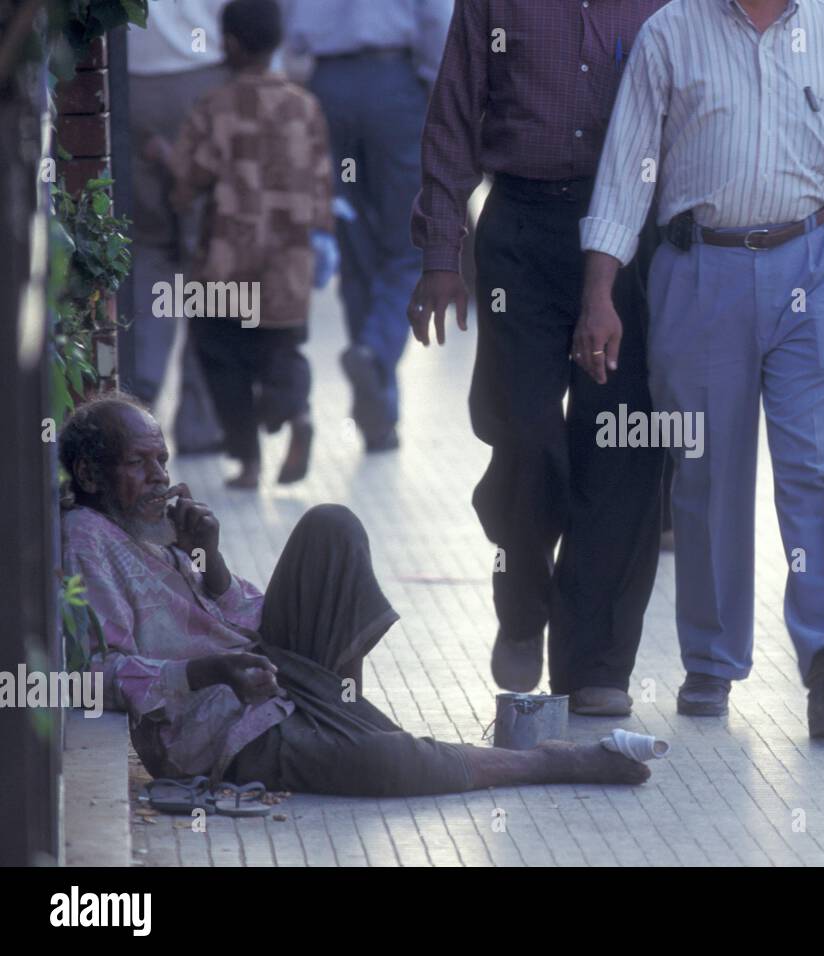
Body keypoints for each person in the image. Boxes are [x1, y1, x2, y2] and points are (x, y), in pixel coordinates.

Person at [574, 0, 824, 732]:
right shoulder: (670, 33)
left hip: (818, 261)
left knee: (821, 468)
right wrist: (600, 292)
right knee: (708, 474)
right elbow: (626, 172)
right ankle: (710, 662)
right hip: (701, 270)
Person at [58, 395, 651, 796]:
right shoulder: (86, 540)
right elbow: (100, 675)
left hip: (266, 678)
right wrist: (206, 671)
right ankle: (551, 762)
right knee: (392, 763)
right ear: (88, 475)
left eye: (162, 460)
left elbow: (244, 617)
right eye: (140, 463)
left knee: (332, 525)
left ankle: (339, 716)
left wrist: (209, 561)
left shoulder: (151, 525)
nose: (161, 477)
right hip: (219, 731)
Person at [407, 0, 668, 717]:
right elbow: (454, 115)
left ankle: (596, 663)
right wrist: (439, 254)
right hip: (521, 228)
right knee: (523, 433)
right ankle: (522, 599)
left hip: (632, 230)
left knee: (621, 447)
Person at [149, 0, 335, 489]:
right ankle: (296, 413)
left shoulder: (215, 106)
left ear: (229, 44)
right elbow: (321, 186)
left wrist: (166, 159)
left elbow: (189, 181)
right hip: (289, 259)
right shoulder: (305, 106)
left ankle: (248, 461)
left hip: (226, 261)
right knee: (282, 347)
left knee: (218, 352)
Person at [282, 0, 455, 453]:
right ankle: (375, 353)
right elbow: (437, 18)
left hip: (327, 88)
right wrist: (439, 87)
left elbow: (285, 21)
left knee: (352, 244)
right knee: (408, 246)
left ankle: (379, 421)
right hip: (393, 84)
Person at [125, 0, 227, 455]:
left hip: (132, 82)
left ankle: (139, 392)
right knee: (207, 256)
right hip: (204, 78)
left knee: (151, 249)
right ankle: (199, 420)